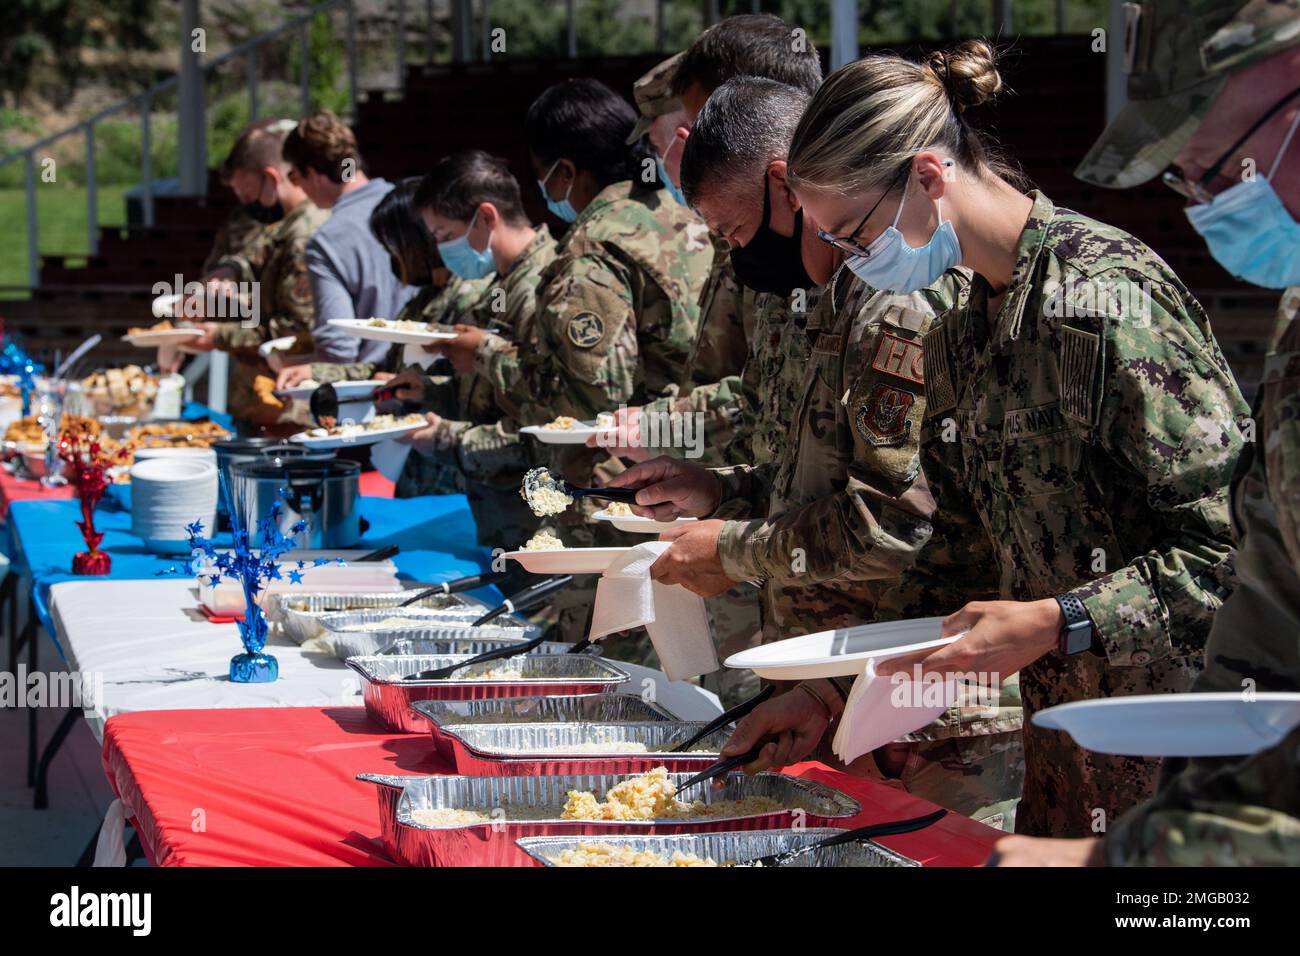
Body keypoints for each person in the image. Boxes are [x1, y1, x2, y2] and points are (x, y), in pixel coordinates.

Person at [701, 39, 1248, 840]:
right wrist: (828, 697)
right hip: (1063, 768)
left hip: (1181, 775)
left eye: (856, 235)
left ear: (927, 176)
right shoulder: (963, 334)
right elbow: (949, 564)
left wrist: (1062, 619)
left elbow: (1230, 556)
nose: (854, 264)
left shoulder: (1105, 300)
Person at [606, 76, 1024, 828]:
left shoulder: (895, 297)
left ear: (783, 185)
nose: (737, 257)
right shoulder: (830, 292)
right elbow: (815, 476)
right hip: (843, 686)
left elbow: (901, 524)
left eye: (735, 232)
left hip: (929, 712)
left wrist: (734, 549)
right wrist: (722, 494)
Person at [992, 0, 1300, 866]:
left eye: (1222, 168)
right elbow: (1266, 638)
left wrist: (1133, 865)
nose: (1208, 205)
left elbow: (1208, 556)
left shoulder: (1102, 291)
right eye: (1189, 182)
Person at [433, 77, 713, 649]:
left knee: (610, 666)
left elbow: (591, 397)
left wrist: (485, 355)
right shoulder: (686, 216)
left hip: (626, 489)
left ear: (563, 172)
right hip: (708, 477)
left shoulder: (595, 246)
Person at [401, 149, 559, 556]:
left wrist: (446, 439)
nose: (441, 251)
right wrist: (430, 392)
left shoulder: (544, 288)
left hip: (540, 521)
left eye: (444, 236)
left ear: (486, 218)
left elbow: (552, 425)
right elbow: (496, 396)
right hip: (500, 515)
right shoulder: (502, 286)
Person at [176, 118, 328, 431]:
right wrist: (228, 272)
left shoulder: (303, 237)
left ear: (271, 178)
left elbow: (295, 334)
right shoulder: (285, 227)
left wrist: (218, 336)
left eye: (248, 196)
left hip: (290, 410)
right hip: (266, 406)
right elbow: (254, 259)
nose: (248, 207)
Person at [281, 110, 414, 369]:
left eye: (295, 177)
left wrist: (299, 365)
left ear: (312, 173)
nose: (299, 188)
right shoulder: (411, 206)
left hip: (373, 392)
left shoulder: (327, 241)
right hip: (433, 382)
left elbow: (338, 349)